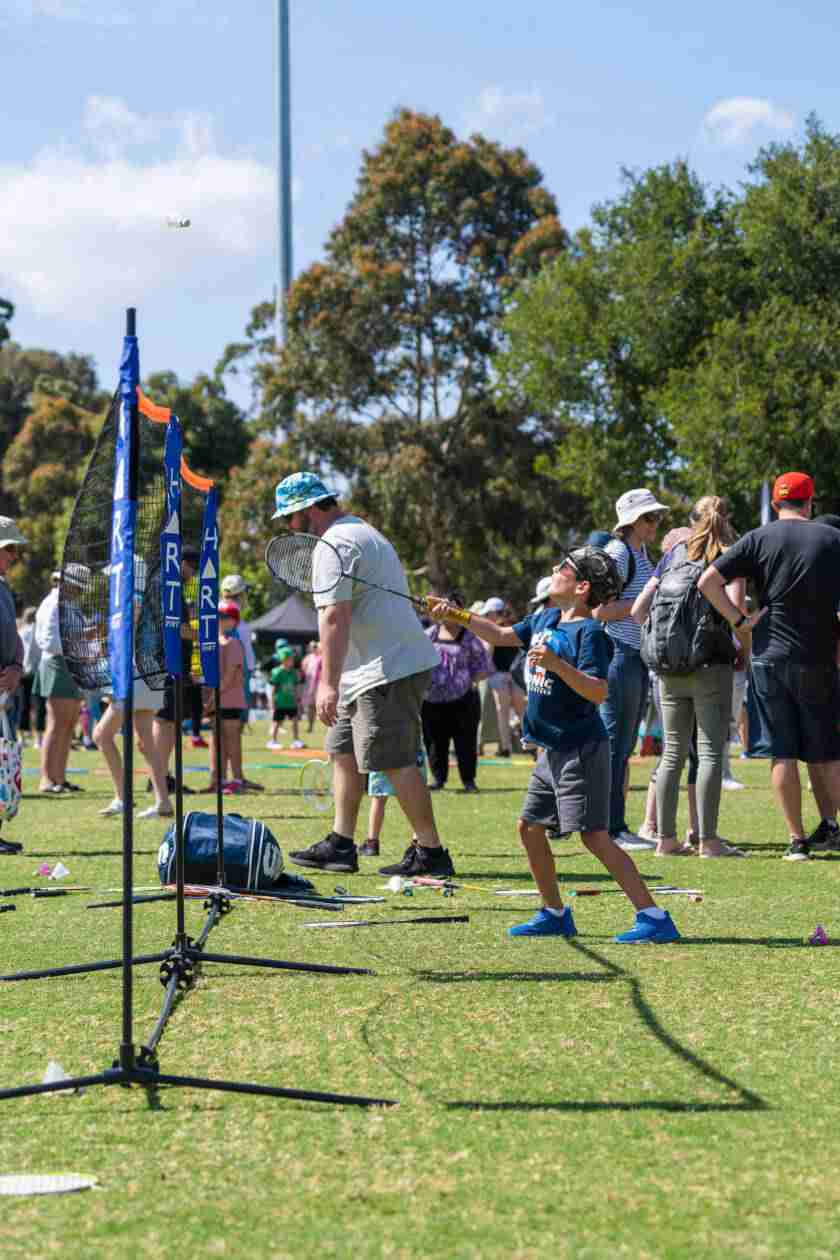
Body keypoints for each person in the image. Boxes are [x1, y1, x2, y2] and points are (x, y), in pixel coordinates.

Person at [430, 547, 680, 942]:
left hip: (581, 749)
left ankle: (654, 917)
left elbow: (598, 692)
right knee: (529, 827)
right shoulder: (545, 618)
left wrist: (558, 667)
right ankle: (554, 912)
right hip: (551, 750)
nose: (553, 569)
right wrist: (454, 615)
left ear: (581, 587)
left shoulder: (591, 634)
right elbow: (499, 635)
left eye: (562, 568)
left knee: (594, 836)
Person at [271, 471, 453, 878]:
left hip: (384, 669)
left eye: (290, 517)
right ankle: (340, 843)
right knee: (343, 752)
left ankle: (432, 852)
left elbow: (334, 617)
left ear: (310, 509)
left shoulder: (333, 544)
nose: (288, 527)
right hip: (369, 668)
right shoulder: (357, 531)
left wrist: (327, 683)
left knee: (393, 761)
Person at [698, 471, 840, 861]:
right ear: (811, 502)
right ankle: (831, 824)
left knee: (783, 753)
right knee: (826, 753)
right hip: (818, 656)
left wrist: (739, 621)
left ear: (776, 504)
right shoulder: (832, 538)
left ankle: (796, 841)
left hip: (768, 656)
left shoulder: (757, 538)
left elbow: (708, 582)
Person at [639, 497, 745, 858]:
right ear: (727, 519)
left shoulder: (674, 553)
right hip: (709, 664)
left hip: (668, 666)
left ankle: (666, 840)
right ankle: (708, 840)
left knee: (672, 753)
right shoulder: (730, 553)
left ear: (692, 520)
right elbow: (735, 608)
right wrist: (744, 632)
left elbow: (640, 610)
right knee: (712, 751)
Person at [595, 488, 668, 851]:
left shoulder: (639, 552)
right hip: (619, 655)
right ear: (633, 522)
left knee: (623, 747)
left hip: (635, 657)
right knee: (613, 745)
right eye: (649, 518)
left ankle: (616, 825)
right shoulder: (619, 552)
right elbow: (599, 612)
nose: (655, 524)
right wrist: (643, 603)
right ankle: (608, 828)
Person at [421, 591, 490, 791]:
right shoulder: (429, 635)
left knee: (465, 743)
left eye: (453, 608)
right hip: (431, 701)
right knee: (434, 742)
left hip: (464, 701)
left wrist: (468, 683)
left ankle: (468, 781)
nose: (448, 612)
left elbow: (484, 668)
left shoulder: (470, 638)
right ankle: (438, 779)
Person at [34, 568, 85, 795]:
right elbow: (49, 641)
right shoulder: (53, 604)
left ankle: (60, 778)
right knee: (55, 725)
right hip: (57, 664)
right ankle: (47, 779)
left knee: (68, 725)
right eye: (78, 585)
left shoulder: (69, 605)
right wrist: (79, 639)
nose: (81, 591)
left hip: (69, 665)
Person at [0, 519, 26, 853]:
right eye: (8, 549)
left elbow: (16, 636)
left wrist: (17, 667)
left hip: (7, 684)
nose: (14, 556)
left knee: (4, 762)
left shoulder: (4, 587)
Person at [205, 601, 248, 795]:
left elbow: (231, 675)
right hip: (216, 699)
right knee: (218, 741)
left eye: (224, 616)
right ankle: (220, 779)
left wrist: (213, 696)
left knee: (232, 741)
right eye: (219, 616)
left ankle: (237, 779)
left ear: (233, 621)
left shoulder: (234, 643)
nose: (220, 620)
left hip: (230, 699)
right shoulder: (213, 642)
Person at [481, 597, 526, 756]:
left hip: (514, 674)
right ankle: (505, 747)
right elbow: (487, 655)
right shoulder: (489, 629)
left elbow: (521, 650)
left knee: (522, 709)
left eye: (492, 613)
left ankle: (531, 746)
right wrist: (494, 635)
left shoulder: (513, 626)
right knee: (503, 710)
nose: (489, 617)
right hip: (497, 674)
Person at [267, 646, 303, 749]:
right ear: (284, 660)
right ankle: (273, 741)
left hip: (291, 702)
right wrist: (272, 702)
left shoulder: (294, 673)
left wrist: (298, 700)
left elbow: (296, 688)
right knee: (277, 722)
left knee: (295, 721)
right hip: (280, 702)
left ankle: (296, 740)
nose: (292, 660)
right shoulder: (277, 672)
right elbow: (273, 689)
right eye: (290, 658)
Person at [299, 641, 322, 733]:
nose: (313, 648)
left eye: (315, 646)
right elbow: (303, 670)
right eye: (311, 647)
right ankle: (310, 726)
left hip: (319, 685)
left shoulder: (322, 657)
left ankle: (322, 726)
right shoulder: (308, 658)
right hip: (309, 685)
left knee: (319, 706)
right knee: (309, 706)